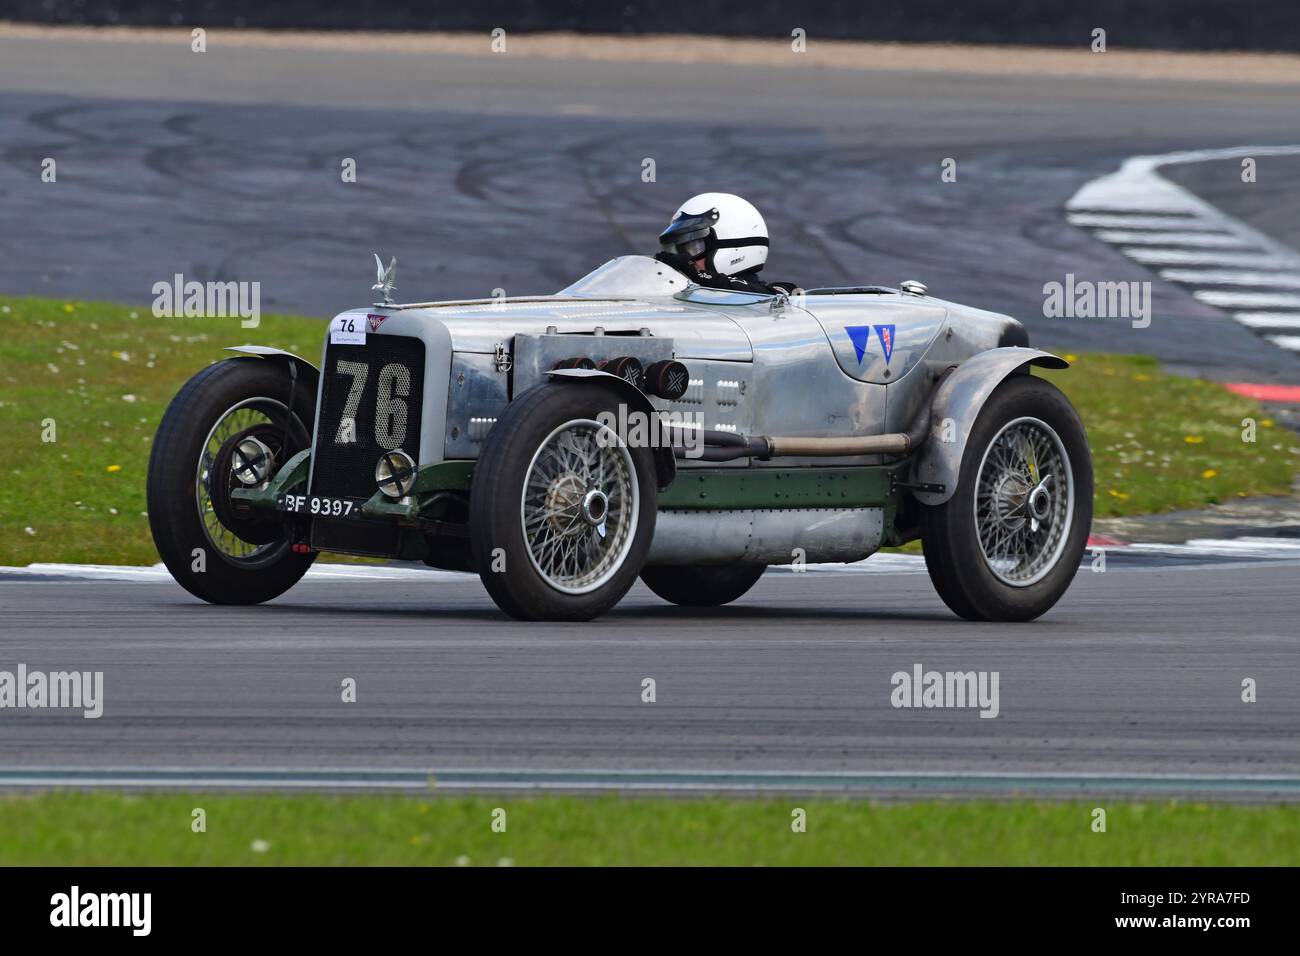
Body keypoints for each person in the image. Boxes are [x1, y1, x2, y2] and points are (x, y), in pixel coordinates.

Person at [655, 192, 795, 295]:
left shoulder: (778, 299)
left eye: (694, 247)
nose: (685, 259)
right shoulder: (680, 299)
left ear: (734, 245)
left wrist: (697, 274)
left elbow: (772, 294)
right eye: (680, 251)